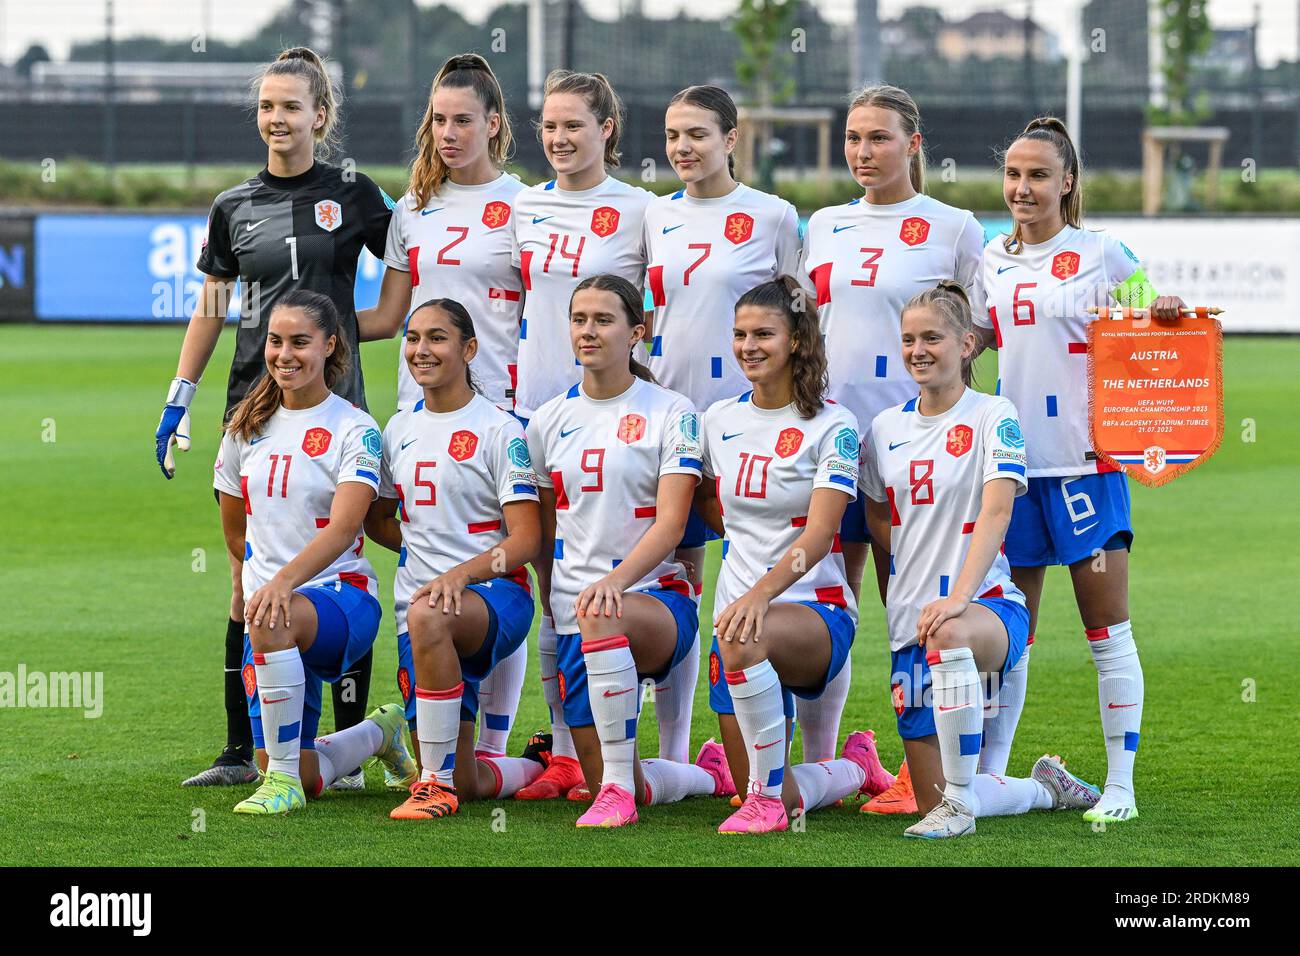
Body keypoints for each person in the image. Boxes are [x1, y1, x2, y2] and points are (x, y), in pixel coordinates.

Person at [159, 47, 394, 788]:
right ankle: (241, 750)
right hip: (251, 409)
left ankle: (351, 745)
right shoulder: (233, 206)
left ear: (319, 117)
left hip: (335, 405)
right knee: (246, 574)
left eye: (291, 107)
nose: (277, 119)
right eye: (267, 107)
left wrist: (339, 340)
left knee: (342, 560)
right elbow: (212, 305)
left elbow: (403, 288)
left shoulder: (357, 195)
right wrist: (180, 393)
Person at [976, 117, 1185, 823]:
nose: (1023, 188)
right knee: (1011, 633)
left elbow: (1157, 328)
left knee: (1107, 631)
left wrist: (1163, 312)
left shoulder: (1102, 253)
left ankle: (1120, 788)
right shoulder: (990, 259)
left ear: (1067, 182)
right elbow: (969, 337)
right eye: (1013, 175)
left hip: (1086, 471)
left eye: (1038, 175)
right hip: (1011, 474)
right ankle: (993, 776)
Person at [860, 281, 1102, 839]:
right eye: (908, 340)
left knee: (949, 639)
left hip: (987, 610)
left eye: (933, 338)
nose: (918, 350)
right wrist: (904, 579)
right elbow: (877, 518)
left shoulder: (994, 415)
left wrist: (959, 597)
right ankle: (1044, 788)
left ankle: (963, 807)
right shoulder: (886, 429)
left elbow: (996, 514)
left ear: (967, 343)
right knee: (933, 799)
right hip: (911, 626)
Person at [798, 86, 987, 781]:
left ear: (912, 144)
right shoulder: (822, 225)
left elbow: (981, 329)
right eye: (853, 138)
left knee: (912, 604)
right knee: (828, 595)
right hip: (831, 440)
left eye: (878, 138)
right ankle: (826, 762)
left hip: (917, 444)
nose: (862, 151)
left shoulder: (955, 226)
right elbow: (806, 325)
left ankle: (931, 767)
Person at [357, 52, 531, 768]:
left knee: (510, 569)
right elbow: (390, 316)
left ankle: (492, 747)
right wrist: (306, 318)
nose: (450, 132)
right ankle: (441, 734)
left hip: (506, 415)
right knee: (436, 560)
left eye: (463, 120)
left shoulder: (528, 204)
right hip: (420, 415)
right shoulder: (413, 209)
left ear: (494, 123)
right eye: (439, 120)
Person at [525, 275, 734, 827]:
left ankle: (617, 790)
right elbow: (545, 533)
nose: (587, 331)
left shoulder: (673, 411)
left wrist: (614, 584)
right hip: (577, 613)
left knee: (602, 613)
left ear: (636, 332)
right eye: (578, 320)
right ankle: (708, 775)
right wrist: (551, 601)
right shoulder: (546, 421)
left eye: (603, 320)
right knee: (633, 783)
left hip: (653, 602)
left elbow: (672, 525)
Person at [696, 277, 896, 835]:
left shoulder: (833, 424)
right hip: (739, 620)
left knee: (764, 795)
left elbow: (820, 533)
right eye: (739, 334)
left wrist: (758, 594)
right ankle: (852, 768)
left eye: (764, 333)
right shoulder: (717, 421)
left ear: (798, 342)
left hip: (815, 610)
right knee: (768, 786)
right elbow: (712, 505)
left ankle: (769, 804)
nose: (748, 346)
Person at [640, 84, 802, 767]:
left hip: (755, 425)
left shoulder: (772, 215)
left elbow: (800, 317)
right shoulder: (652, 214)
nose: (683, 147)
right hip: (676, 421)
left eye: (698, 134)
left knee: (775, 579)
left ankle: (799, 754)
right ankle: (678, 753)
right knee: (679, 577)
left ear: (732, 139)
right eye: (674, 134)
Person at [213, 291, 417, 814]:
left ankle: (280, 787)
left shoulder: (355, 428)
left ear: (330, 345)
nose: (284, 354)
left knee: (280, 772)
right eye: (275, 341)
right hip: (272, 617)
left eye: (300, 342)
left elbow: (346, 527)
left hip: (341, 599)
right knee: (298, 767)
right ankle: (380, 732)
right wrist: (268, 589)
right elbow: (237, 534)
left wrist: (280, 584)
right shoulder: (244, 427)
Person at [510, 71, 655, 800]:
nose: (560, 138)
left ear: (607, 129)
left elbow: (652, 315)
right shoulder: (523, 206)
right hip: (536, 413)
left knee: (665, 570)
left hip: (621, 417)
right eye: (549, 126)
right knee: (551, 582)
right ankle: (566, 749)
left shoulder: (640, 210)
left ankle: (683, 747)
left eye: (574, 125)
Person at [362, 299, 548, 818]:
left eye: (437, 338)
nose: (422, 350)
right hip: (420, 609)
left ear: (469, 349)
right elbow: (377, 521)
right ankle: (538, 765)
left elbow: (527, 538)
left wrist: (459, 573)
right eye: (414, 337)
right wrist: (428, 550)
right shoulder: (396, 429)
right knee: (471, 779)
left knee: (430, 613)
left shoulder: (500, 428)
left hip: (495, 596)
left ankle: (432, 787)